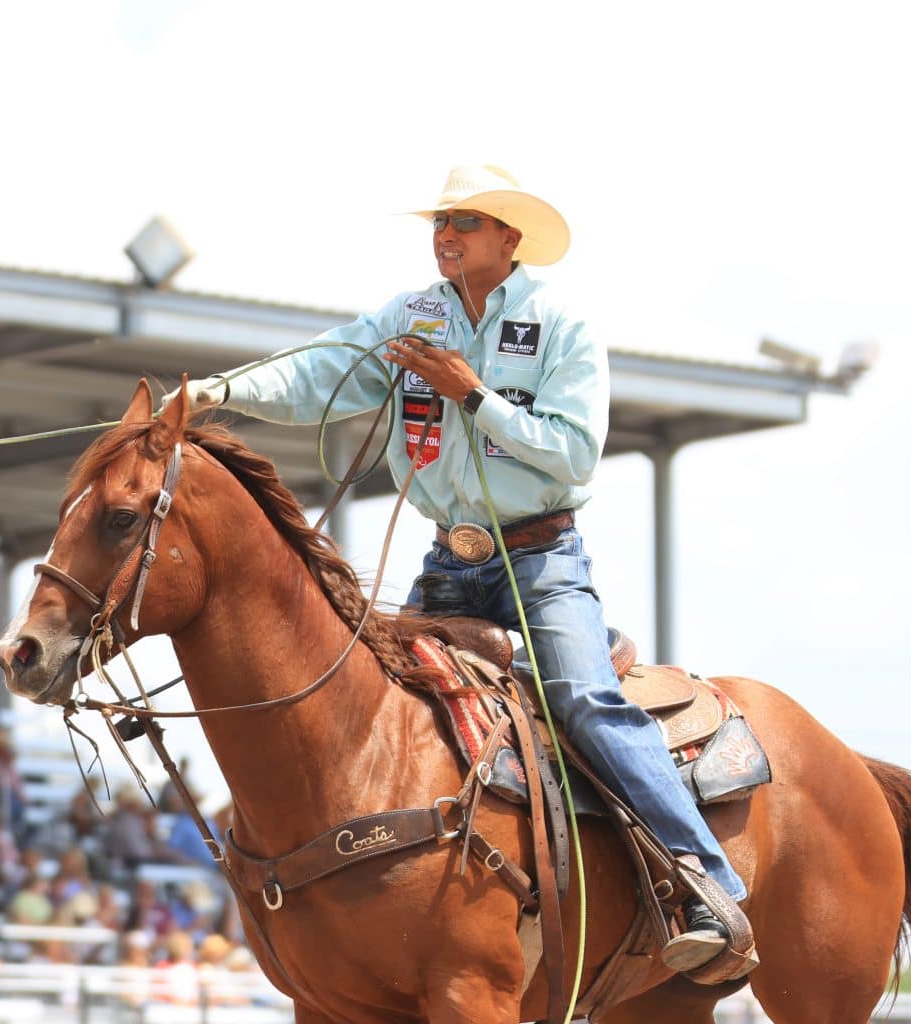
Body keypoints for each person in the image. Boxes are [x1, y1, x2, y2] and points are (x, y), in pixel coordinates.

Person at [182, 164, 751, 974]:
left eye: (465, 222)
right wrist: (213, 392)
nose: (445, 236)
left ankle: (706, 883)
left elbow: (575, 451)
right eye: (440, 222)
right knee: (368, 700)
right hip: (451, 558)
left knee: (584, 700)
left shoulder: (561, 325)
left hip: (541, 558)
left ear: (509, 240)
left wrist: (472, 392)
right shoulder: (410, 317)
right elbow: (320, 371)